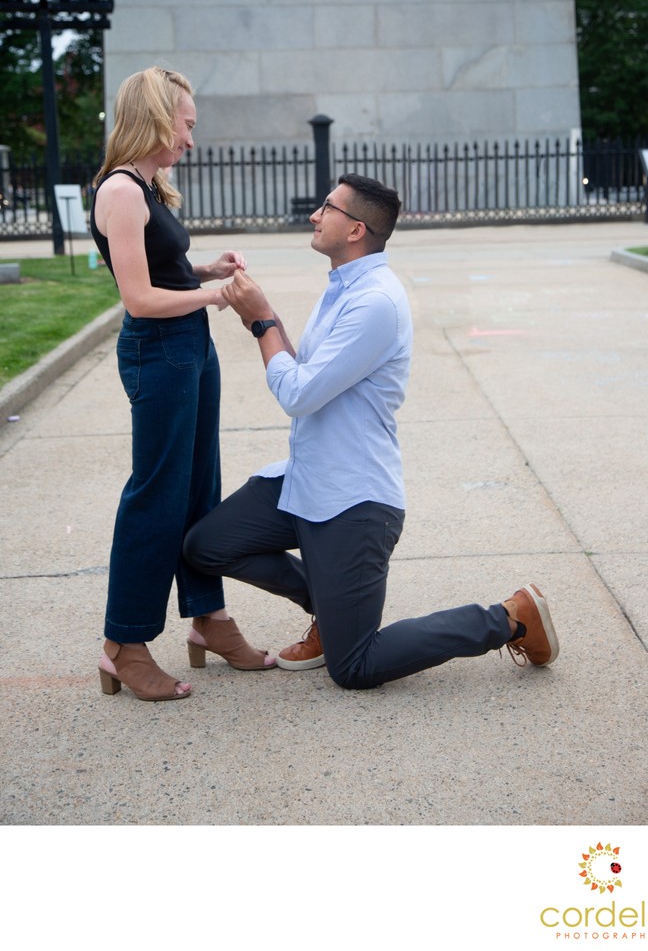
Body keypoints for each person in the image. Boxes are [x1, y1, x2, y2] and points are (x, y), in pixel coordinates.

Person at [183, 173, 559, 690]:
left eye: (326, 208)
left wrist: (262, 321)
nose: (315, 215)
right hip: (306, 480)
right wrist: (268, 324)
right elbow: (306, 372)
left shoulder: (375, 302)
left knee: (354, 666)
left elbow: (296, 394)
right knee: (207, 545)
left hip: (354, 500)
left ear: (356, 229)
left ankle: (510, 617)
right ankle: (331, 606)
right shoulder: (343, 286)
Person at [90, 66, 275, 702]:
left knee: (200, 487)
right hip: (161, 349)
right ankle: (124, 644)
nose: (191, 140)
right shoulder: (120, 191)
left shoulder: (146, 187)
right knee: (156, 494)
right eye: (186, 124)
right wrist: (219, 293)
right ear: (156, 116)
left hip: (189, 345)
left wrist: (204, 268)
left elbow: (159, 268)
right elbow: (139, 298)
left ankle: (209, 619)